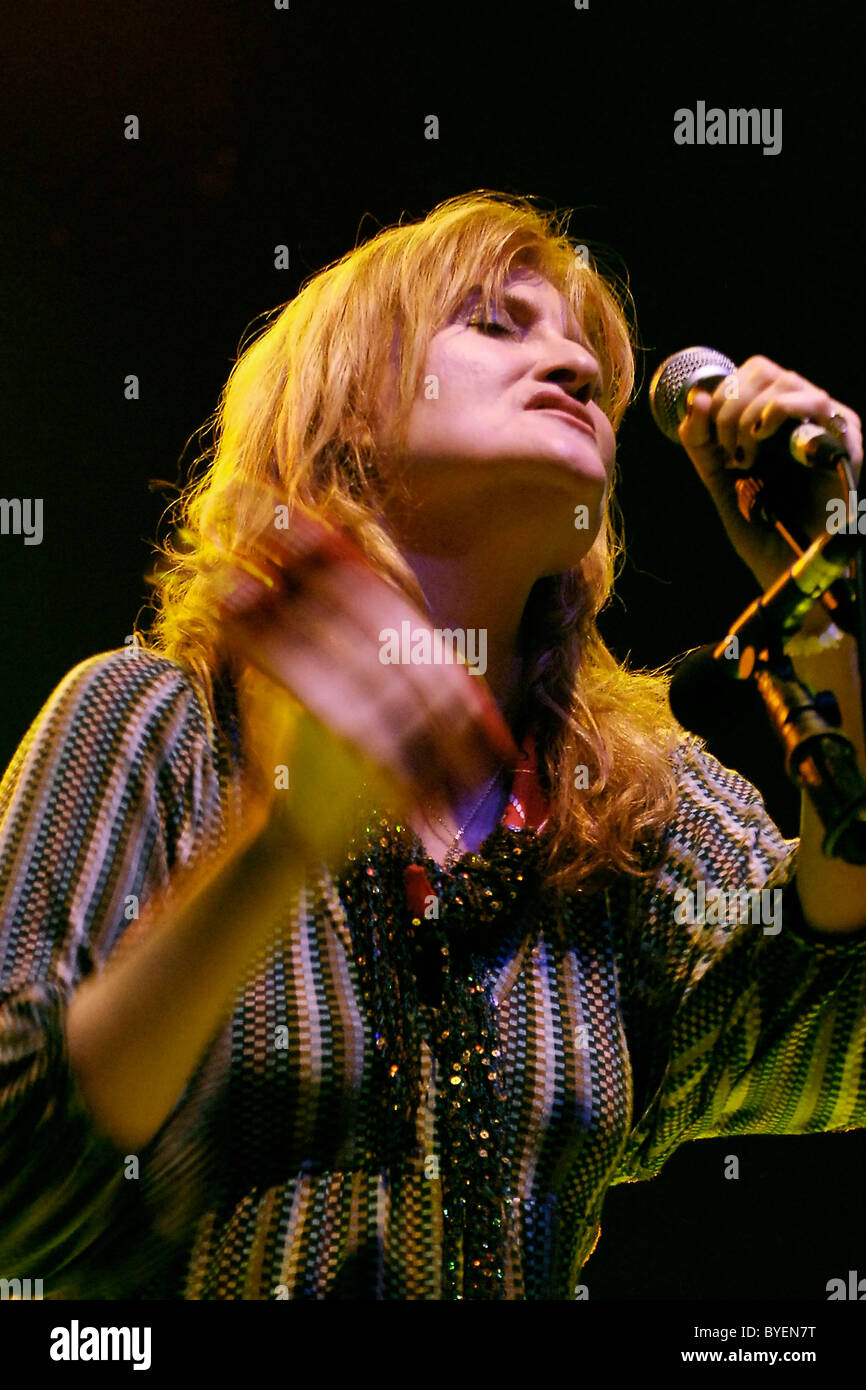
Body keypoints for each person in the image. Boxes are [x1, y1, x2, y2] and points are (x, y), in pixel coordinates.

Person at [1, 190, 864, 1301]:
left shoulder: (629, 811)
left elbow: (839, 1033)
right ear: (348, 404)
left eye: (583, 352)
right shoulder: (153, 724)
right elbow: (17, 1193)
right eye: (495, 324)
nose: (576, 365)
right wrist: (275, 848)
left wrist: (825, 608)